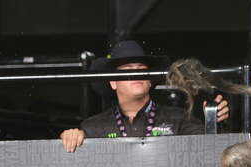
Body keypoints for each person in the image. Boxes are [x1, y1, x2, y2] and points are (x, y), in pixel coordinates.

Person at [60, 39, 227, 152]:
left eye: (141, 68)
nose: (136, 74)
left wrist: (214, 121)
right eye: (127, 70)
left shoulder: (180, 119)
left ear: (150, 80)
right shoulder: (93, 127)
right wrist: (71, 138)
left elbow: (209, 151)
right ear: (113, 82)